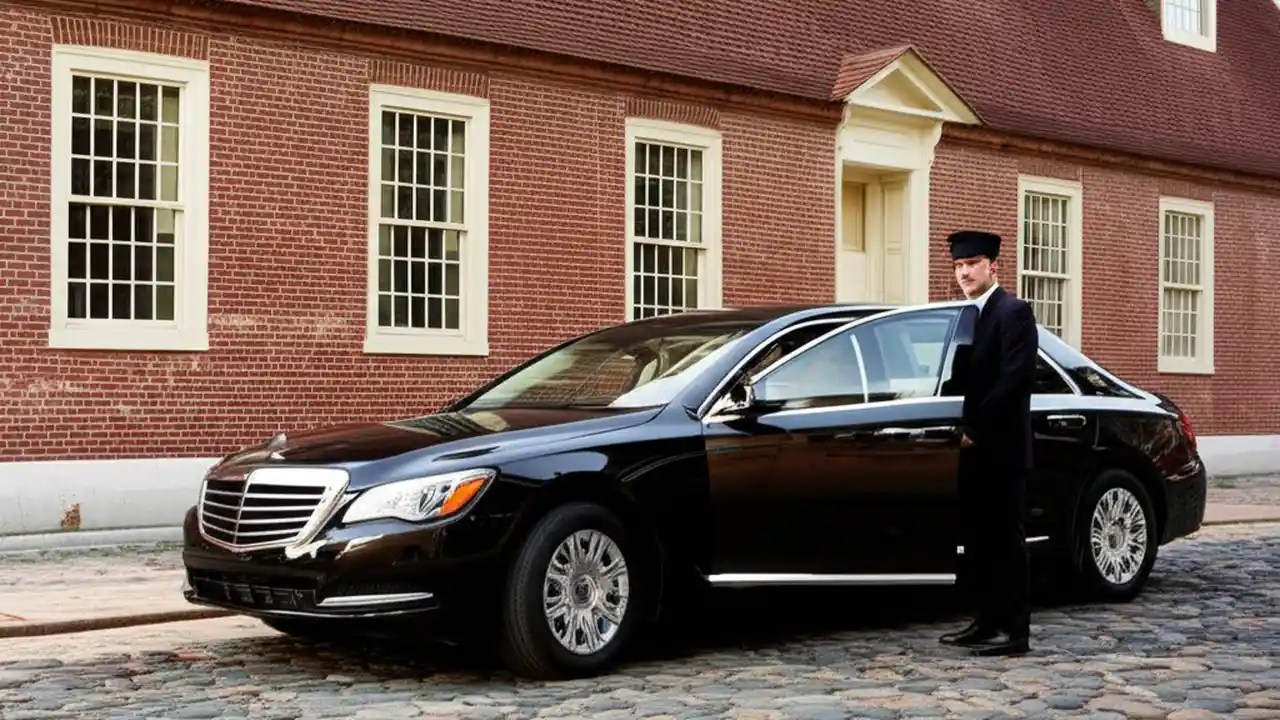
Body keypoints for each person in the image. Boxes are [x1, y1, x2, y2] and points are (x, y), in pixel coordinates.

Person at [938, 229, 1038, 657]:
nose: (964, 272)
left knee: (1006, 543)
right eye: (958, 266)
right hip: (971, 452)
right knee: (978, 543)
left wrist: (974, 431)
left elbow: (1014, 380)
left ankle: (1015, 633)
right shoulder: (965, 317)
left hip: (1002, 450)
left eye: (971, 264)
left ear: (992, 267)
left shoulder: (1013, 312)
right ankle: (985, 622)